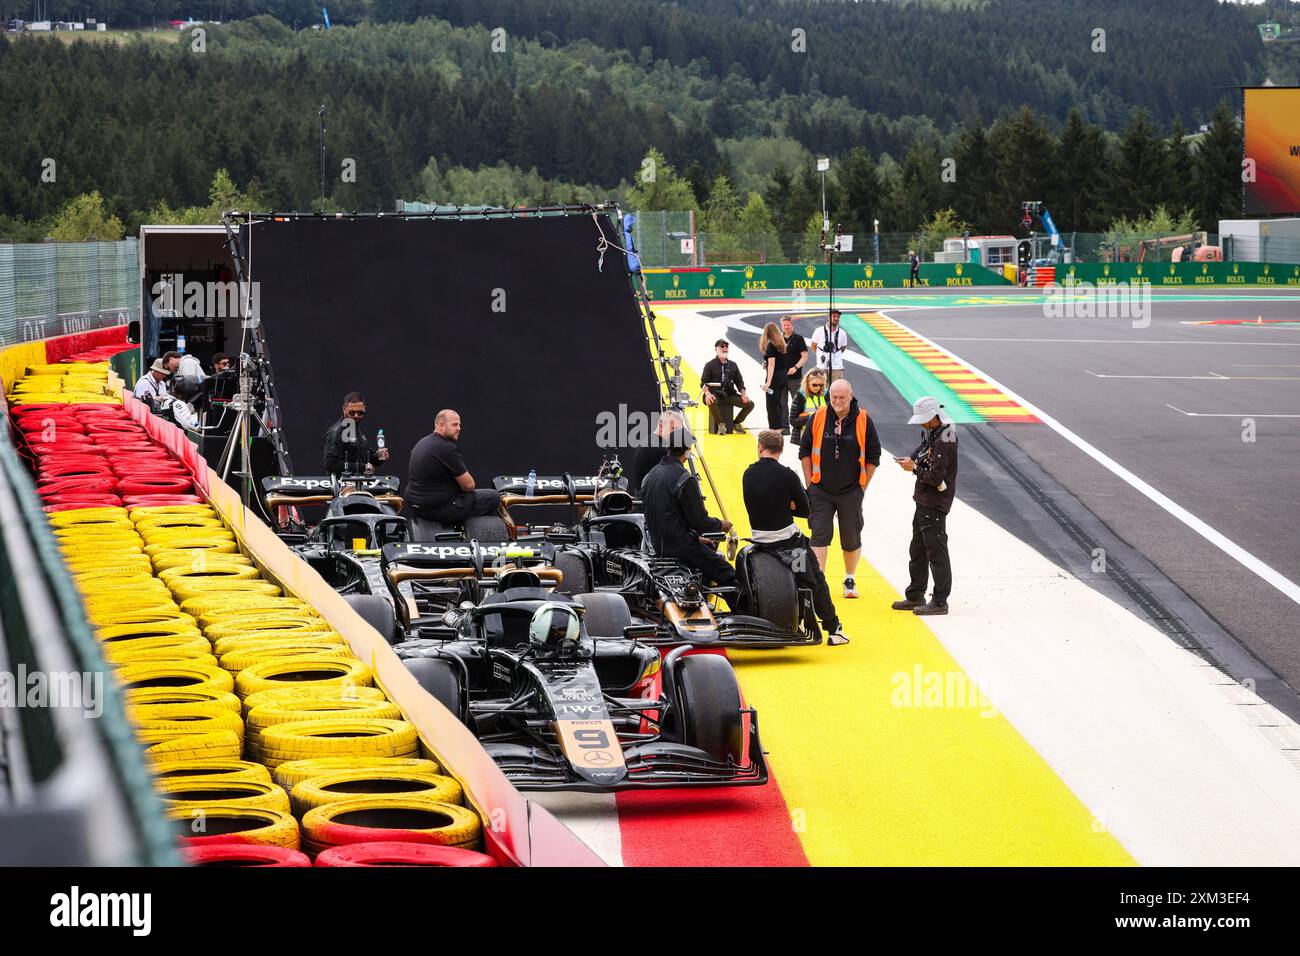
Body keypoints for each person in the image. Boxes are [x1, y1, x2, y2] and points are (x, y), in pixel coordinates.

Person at [742, 429, 848, 646]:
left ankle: (797, 620)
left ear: (760, 448)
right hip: (789, 545)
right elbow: (805, 510)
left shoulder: (748, 473)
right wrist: (787, 504)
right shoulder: (788, 475)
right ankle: (833, 628)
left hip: (760, 541)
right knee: (814, 578)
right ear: (780, 450)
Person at [798, 378, 880, 598]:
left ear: (851, 395)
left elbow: (873, 456)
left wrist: (863, 487)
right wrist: (809, 482)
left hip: (851, 490)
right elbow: (804, 450)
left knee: (851, 537)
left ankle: (849, 578)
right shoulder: (818, 417)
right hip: (821, 490)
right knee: (819, 535)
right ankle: (819, 581)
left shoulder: (863, 419)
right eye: (833, 397)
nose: (837, 401)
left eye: (841, 397)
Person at [640, 428, 737, 596]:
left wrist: (697, 538)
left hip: (657, 546)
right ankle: (740, 616)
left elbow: (668, 516)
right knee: (728, 574)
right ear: (687, 451)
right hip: (680, 547)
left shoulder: (650, 475)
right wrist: (721, 525)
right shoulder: (684, 478)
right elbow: (699, 521)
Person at [892, 396, 958, 616]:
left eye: (923, 419)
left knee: (936, 552)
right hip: (924, 501)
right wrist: (910, 460)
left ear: (933, 417)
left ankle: (940, 601)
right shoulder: (936, 433)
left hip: (934, 504)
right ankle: (915, 594)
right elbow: (921, 452)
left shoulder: (945, 439)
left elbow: (936, 476)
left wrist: (913, 469)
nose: (921, 423)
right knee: (918, 550)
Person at [406, 408, 501, 524]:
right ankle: (469, 534)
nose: (459, 429)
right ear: (441, 426)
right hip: (435, 509)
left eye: (459, 425)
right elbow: (469, 485)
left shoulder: (421, 443)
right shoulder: (446, 448)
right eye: (455, 425)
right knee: (492, 497)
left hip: (415, 506)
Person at [323, 391, 389, 476]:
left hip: (359, 483)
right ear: (344, 409)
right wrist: (362, 467)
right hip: (343, 486)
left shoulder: (356, 428)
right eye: (352, 412)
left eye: (360, 412)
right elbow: (330, 463)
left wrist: (379, 456)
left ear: (364, 409)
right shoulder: (337, 432)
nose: (356, 416)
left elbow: (366, 458)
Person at [700, 339, 754, 435]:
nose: (725, 348)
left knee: (750, 404)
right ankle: (721, 424)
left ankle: (735, 423)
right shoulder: (709, 365)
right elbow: (703, 383)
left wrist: (744, 394)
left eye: (726, 346)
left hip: (729, 395)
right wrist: (707, 393)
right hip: (714, 394)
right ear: (716, 349)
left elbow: (739, 382)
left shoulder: (733, 365)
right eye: (722, 346)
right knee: (711, 399)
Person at [629, 409, 688, 493]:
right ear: (661, 426)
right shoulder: (658, 449)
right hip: (649, 502)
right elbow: (674, 481)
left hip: (646, 499)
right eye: (673, 429)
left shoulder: (651, 442)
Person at [758, 321, 789, 433]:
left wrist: (768, 383)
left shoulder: (771, 345)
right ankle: (780, 427)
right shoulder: (781, 344)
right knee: (779, 403)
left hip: (774, 378)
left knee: (771, 405)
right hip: (783, 376)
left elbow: (772, 365)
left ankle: (775, 429)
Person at [809, 310, 850, 382]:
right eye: (834, 316)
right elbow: (813, 346)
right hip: (822, 366)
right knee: (821, 389)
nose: (836, 318)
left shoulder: (842, 333)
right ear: (828, 317)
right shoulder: (818, 331)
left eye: (838, 317)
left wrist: (835, 353)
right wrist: (822, 354)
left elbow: (843, 348)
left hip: (837, 366)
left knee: (837, 389)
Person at [789, 368, 827, 444]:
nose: (818, 387)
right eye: (814, 385)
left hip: (823, 435)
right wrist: (812, 417)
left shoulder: (826, 395)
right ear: (807, 382)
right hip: (806, 436)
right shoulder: (800, 396)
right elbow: (793, 421)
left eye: (821, 385)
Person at [781, 316, 808, 389]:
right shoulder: (779, 339)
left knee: (797, 400)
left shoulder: (799, 338)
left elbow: (805, 356)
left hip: (795, 377)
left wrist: (795, 368)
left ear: (792, 325)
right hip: (781, 377)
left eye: (788, 325)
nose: (786, 327)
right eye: (784, 325)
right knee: (781, 401)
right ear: (781, 327)